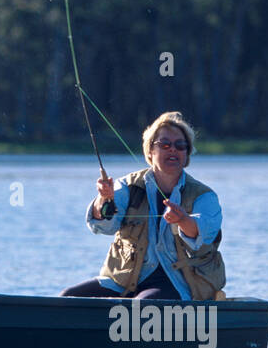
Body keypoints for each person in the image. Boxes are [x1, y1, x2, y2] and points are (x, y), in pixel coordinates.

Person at [61, 111, 225, 301]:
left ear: (187, 154)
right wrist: (103, 199)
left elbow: (205, 234)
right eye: (165, 144)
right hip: (123, 279)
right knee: (67, 297)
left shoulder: (204, 196)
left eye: (180, 145)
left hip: (178, 283)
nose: (173, 150)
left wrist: (182, 220)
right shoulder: (127, 186)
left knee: (141, 305)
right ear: (150, 151)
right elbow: (103, 226)